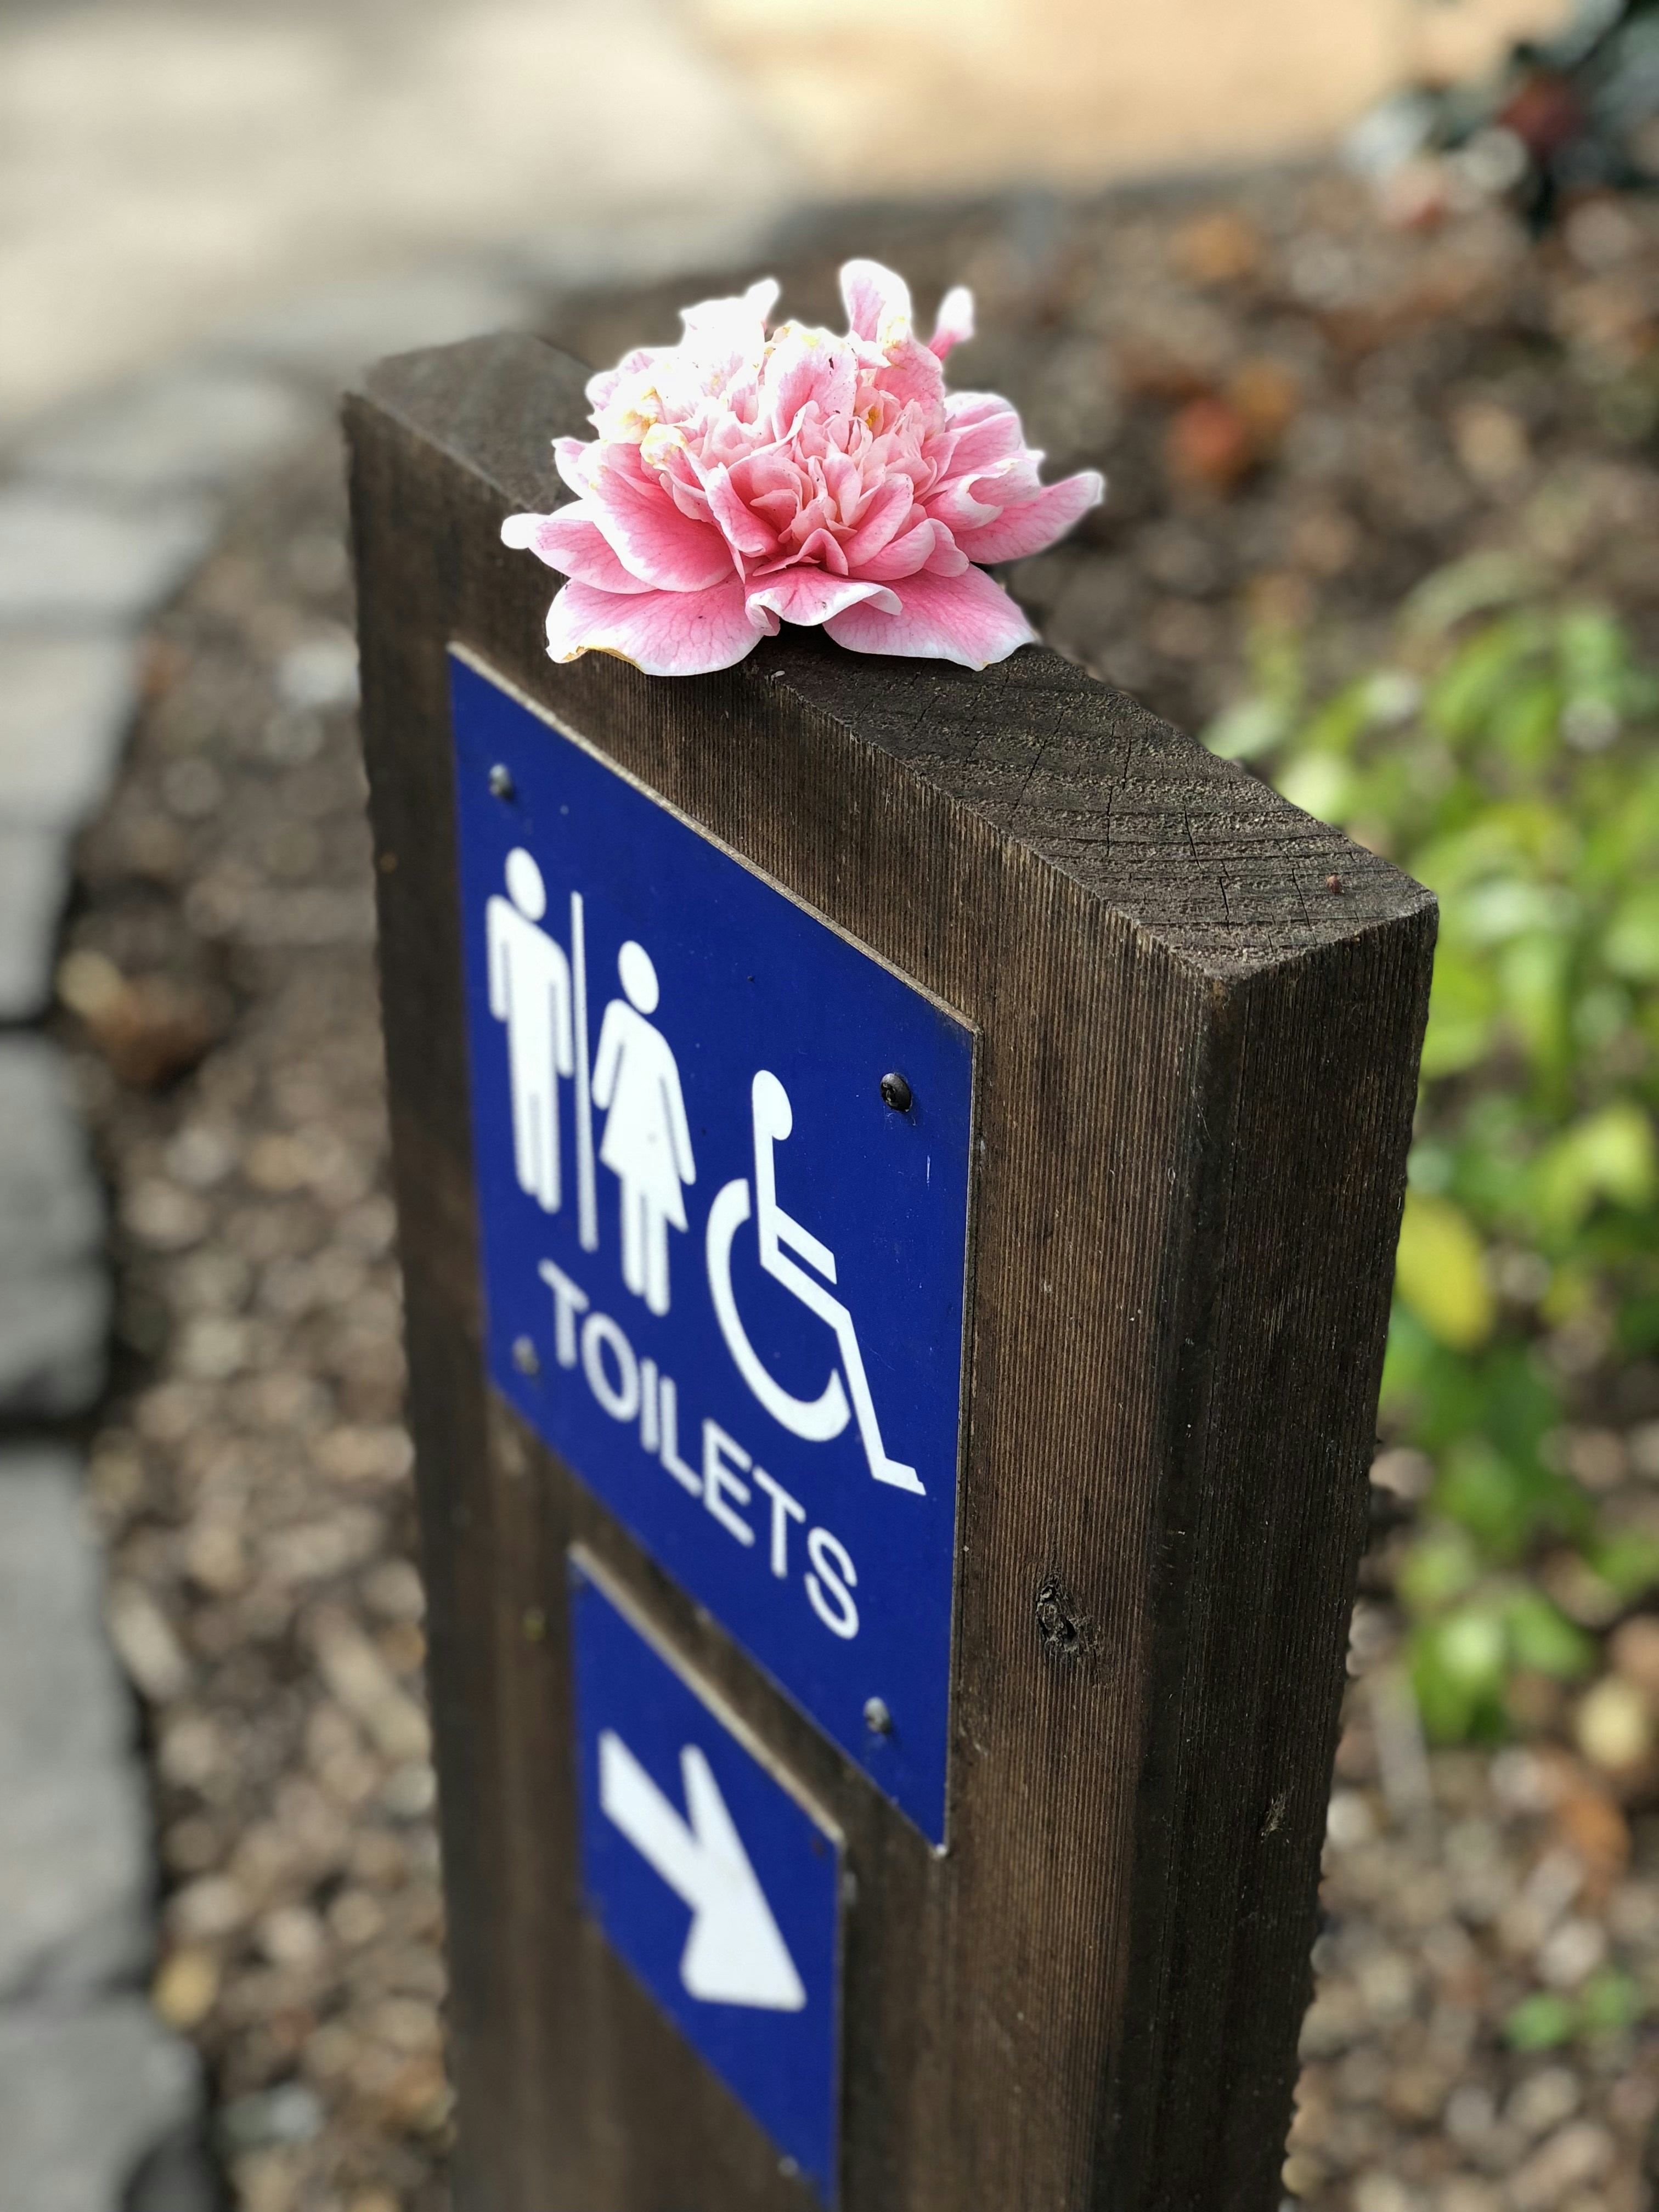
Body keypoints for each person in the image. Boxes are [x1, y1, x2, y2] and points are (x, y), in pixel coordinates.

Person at [592, 941, 696, 1316]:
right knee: (637, 1201)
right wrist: (685, 1167)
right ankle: (643, 1291)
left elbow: (603, 1089)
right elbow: (604, 1085)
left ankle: (650, 1291)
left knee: (643, 1204)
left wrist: (685, 1165)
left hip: (643, 1137)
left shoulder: (643, 1036)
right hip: (642, 1138)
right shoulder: (629, 1026)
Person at [487, 848, 574, 1214]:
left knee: (544, 1105)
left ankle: (547, 1192)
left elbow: (562, 1003)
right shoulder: (503, 919)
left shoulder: (552, 953)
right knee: (527, 1102)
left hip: (541, 1041)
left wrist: (566, 1059)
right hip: (526, 1038)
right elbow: (500, 992)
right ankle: (533, 1185)